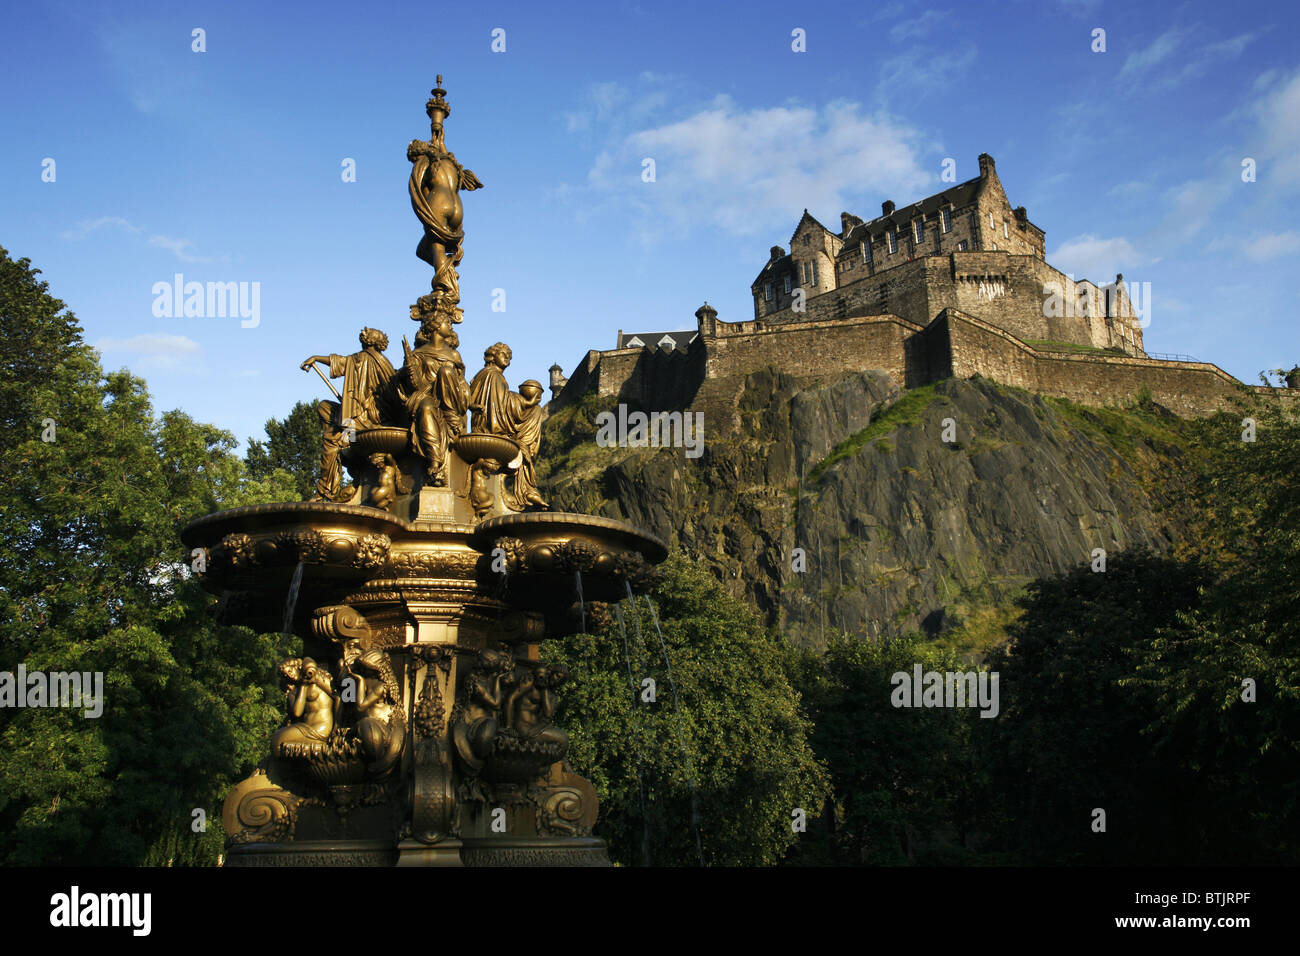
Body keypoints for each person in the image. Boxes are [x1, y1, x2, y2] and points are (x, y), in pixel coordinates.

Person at [301, 328, 395, 501]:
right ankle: (340, 445)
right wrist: (316, 358)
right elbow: (339, 361)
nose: (364, 336)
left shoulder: (374, 362)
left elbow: (392, 391)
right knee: (324, 408)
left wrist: (315, 358)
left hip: (360, 422)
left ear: (372, 341)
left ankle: (325, 490)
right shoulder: (359, 359)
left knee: (336, 444)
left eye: (367, 336)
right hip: (350, 418)